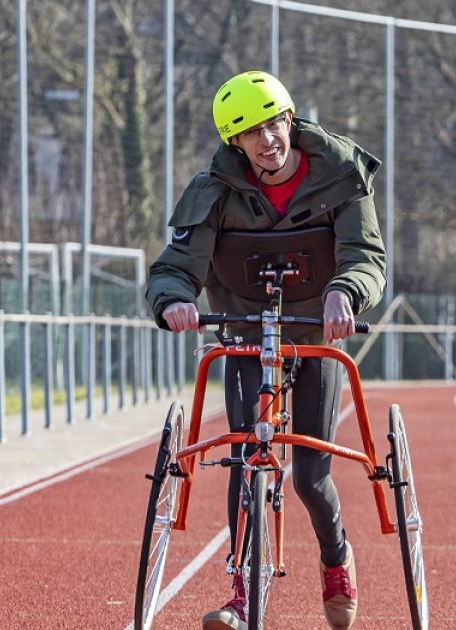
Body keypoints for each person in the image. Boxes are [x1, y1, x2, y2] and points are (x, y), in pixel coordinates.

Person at [146, 70, 386, 630]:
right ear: (236, 142)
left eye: (273, 123)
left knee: (308, 476)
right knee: (247, 455)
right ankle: (241, 590)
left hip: (313, 338)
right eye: (251, 132)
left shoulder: (342, 174)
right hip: (245, 338)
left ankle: (336, 561)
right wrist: (173, 301)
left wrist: (346, 292)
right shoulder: (213, 192)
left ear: (290, 119)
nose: (267, 139)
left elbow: (365, 256)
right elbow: (175, 267)